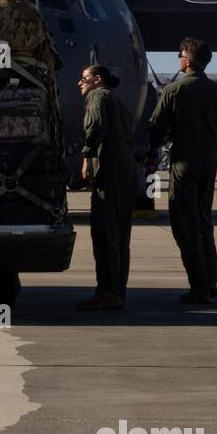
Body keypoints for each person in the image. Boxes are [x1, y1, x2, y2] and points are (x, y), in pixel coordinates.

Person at [148, 37, 217, 304]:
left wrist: (152, 149)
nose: (179, 59)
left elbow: (156, 128)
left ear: (188, 60)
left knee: (185, 225)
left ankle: (199, 287)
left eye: (180, 54)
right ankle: (211, 280)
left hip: (184, 162)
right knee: (204, 221)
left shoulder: (174, 90)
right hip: (209, 162)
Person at [76, 65, 137, 311]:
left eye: (84, 79)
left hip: (110, 167)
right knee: (120, 235)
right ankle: (117, 290)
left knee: (104, 232)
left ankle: (108, 292)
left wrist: (86, 156)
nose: (80, 83)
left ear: (97, 80)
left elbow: (95, 127)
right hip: (127, 168)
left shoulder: (98, 95)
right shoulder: (117, 101)